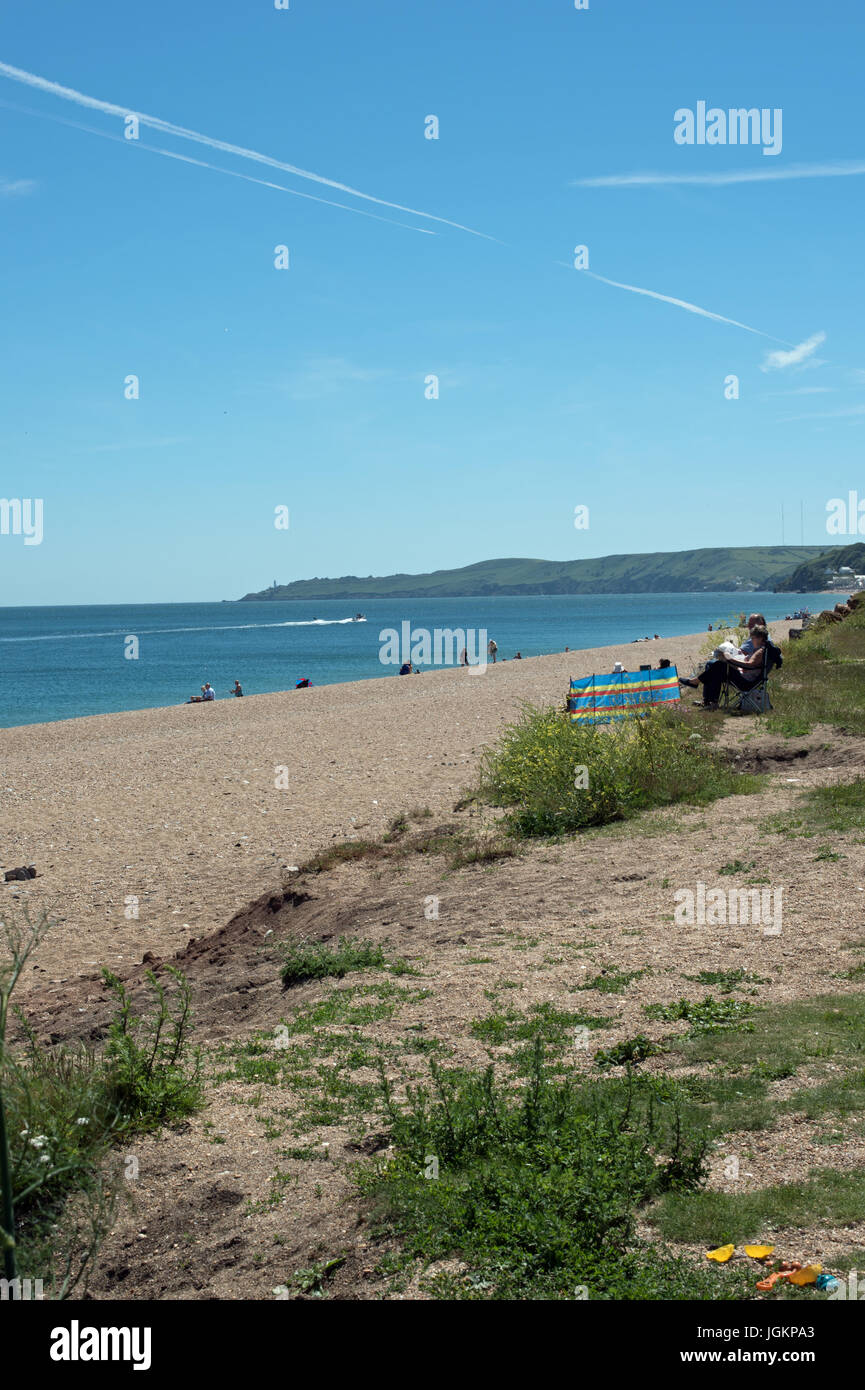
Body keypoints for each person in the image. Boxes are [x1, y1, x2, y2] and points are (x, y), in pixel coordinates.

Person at [680, 625, 770, 709]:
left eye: (753, 638)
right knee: (712, 664)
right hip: (744, 677)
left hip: (746, 682)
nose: (751, 640)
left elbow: (749, 665)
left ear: (760, 638)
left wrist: (730, 659)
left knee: (719, 666)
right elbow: (750, 666)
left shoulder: (760, 652)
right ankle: (708, 701)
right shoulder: (761, 650)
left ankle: (696, 683)